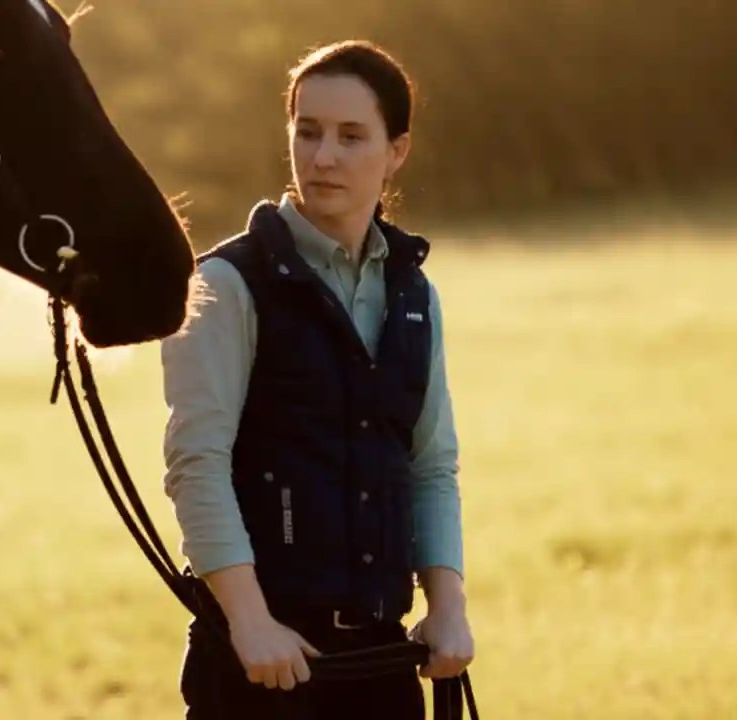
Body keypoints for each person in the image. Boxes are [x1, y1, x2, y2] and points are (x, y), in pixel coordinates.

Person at [161, 40, 475, 719]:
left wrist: (447, 606)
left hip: (383, 668)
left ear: (398, 151)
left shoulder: (415, 295)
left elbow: (430, 465)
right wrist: (249, 622)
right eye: (307, 131)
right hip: (259, 668)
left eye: (351, 136)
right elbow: (197, 465)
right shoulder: (223, 286)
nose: (322, 156)